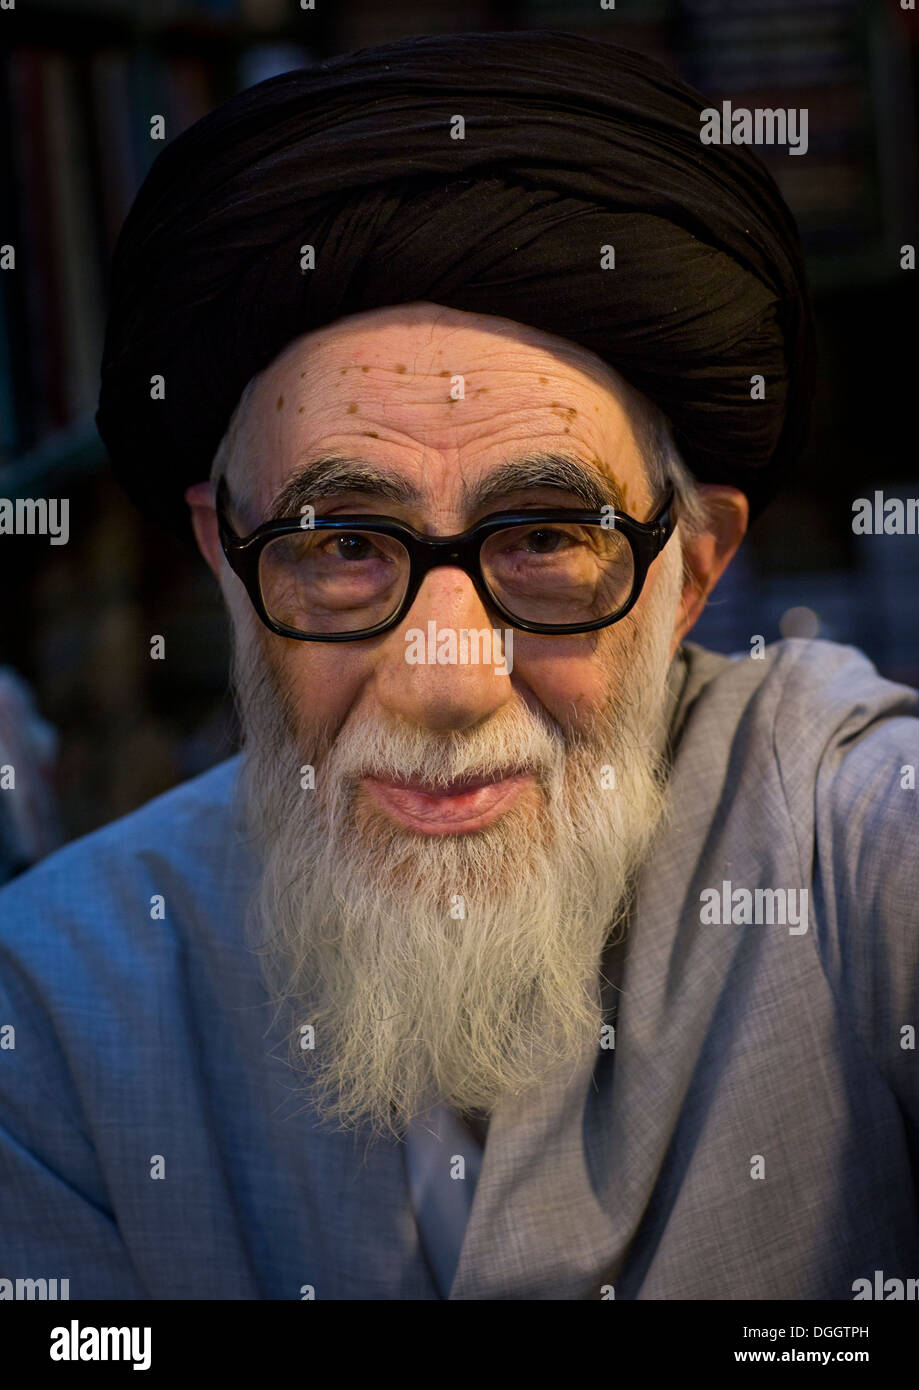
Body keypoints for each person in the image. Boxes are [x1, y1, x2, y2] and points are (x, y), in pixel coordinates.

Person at [0, 31, 916, 1302]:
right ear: (227, 561)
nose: (444, 678)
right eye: (342, 544)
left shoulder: (860, 852)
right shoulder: (52, 1003)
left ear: (694, 568)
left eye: (545, 538)